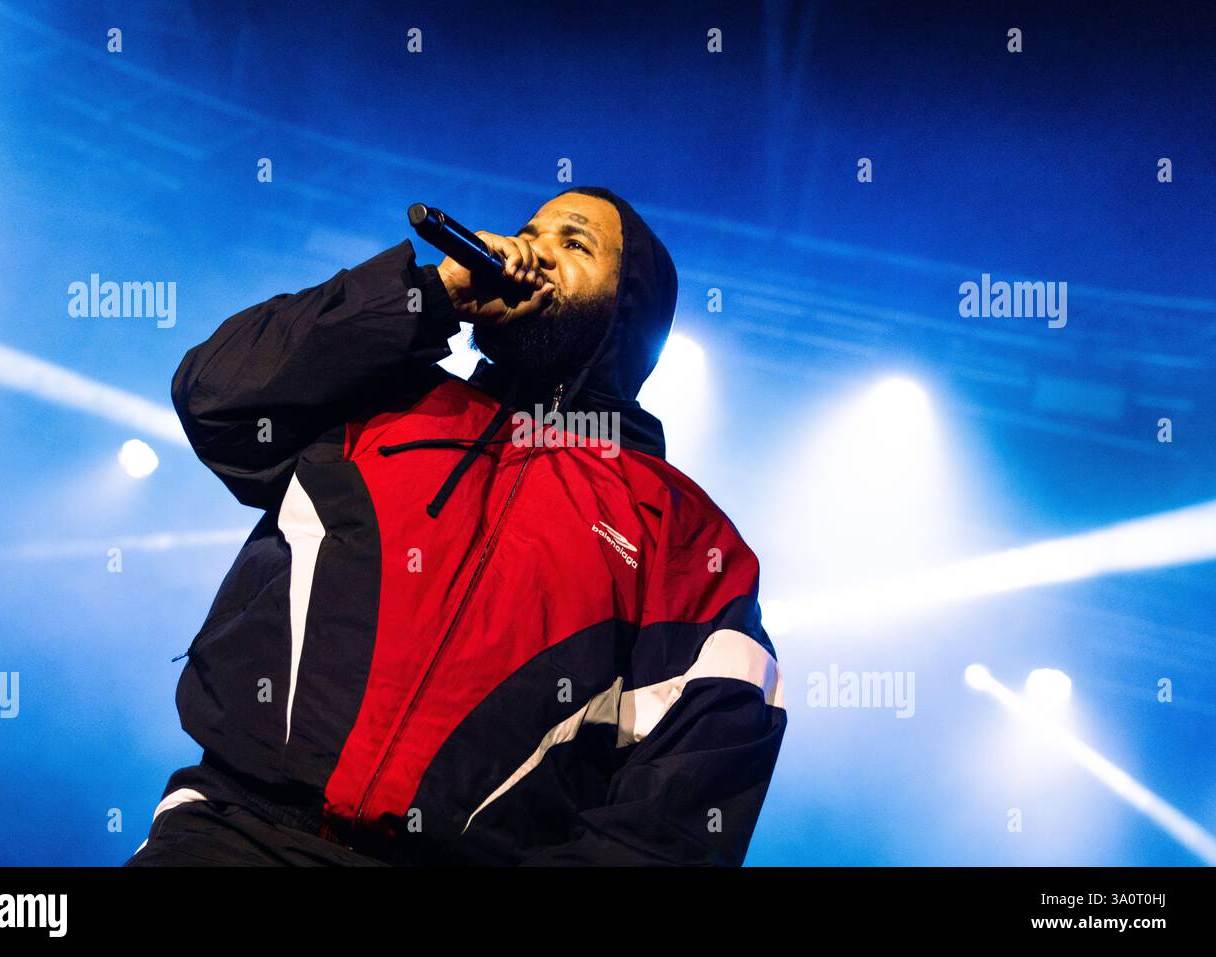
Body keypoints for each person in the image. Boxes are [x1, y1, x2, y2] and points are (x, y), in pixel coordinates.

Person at [125, 185, 787, 867]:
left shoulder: (683, 531)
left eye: (574, 242)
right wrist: (429, 295)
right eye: (531, 230)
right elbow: (216, 395)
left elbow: (683, 800)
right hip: (230, 834)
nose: (532, 250)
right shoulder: (387, 398)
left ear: (629, 314)